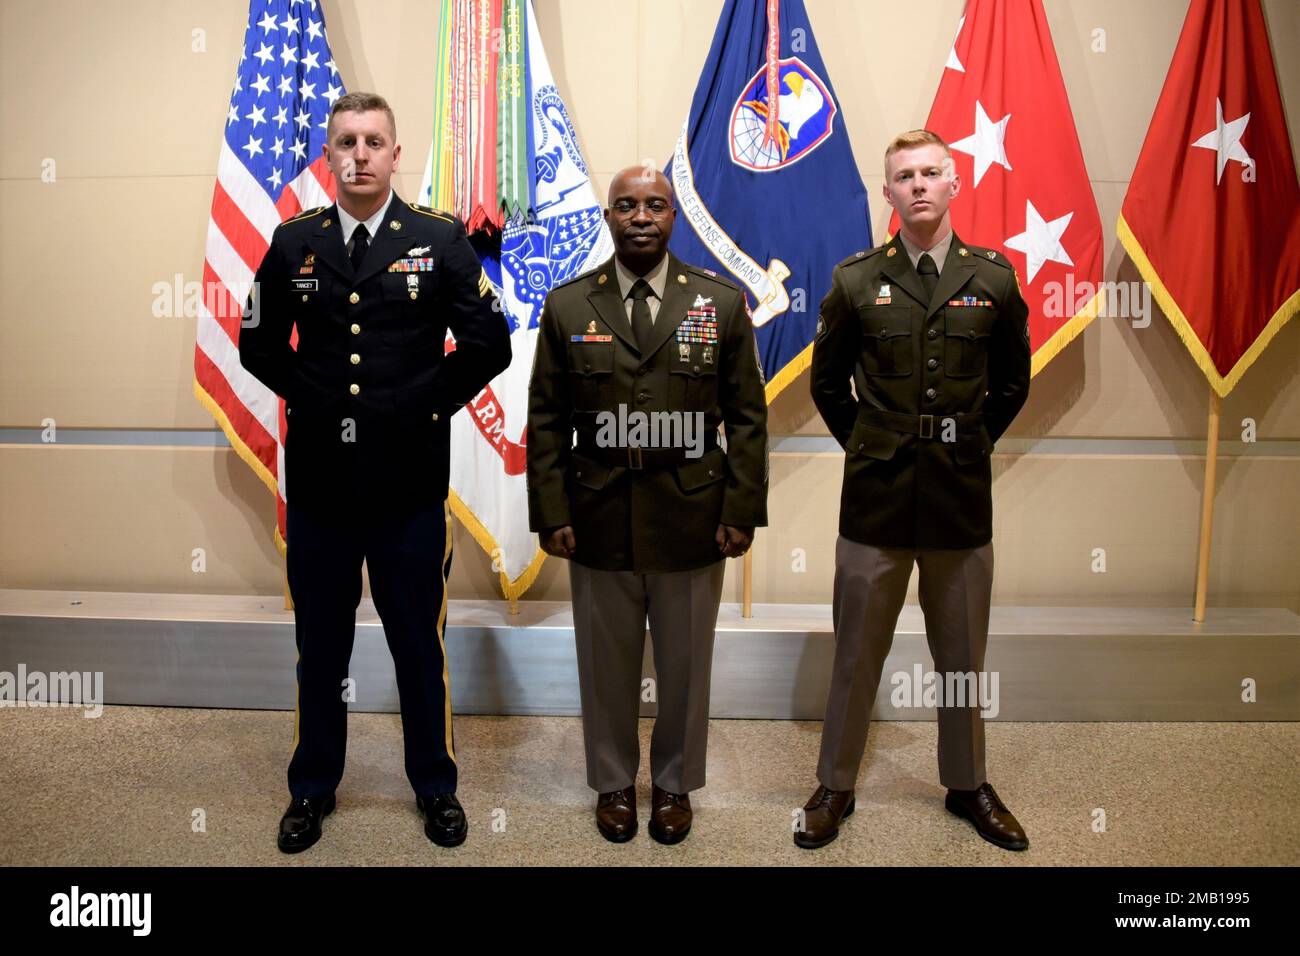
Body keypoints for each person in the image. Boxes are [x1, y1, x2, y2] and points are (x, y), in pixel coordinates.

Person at [239, 92, 511, 853]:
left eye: (374, 141)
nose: (360, 154)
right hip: (324, 486)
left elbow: (490, 342)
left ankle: (434, 785)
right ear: (328, 156)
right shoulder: (294, 242)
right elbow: (256, 342)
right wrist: (315, 396)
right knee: (319, 647)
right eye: (346, 142)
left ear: (397, 154)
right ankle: (312, 788)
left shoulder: (438, 237)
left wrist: (426, 401)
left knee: (418, 646)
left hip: (408, 486)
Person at [798, 130, 1032, 851]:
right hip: (877, 498)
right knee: (856, 652)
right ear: (888, 192)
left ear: (954, 183)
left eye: (932, 172)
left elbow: (1013, 383)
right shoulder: (855, 281)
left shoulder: (993, 277)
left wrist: (965, 440)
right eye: (905, 176)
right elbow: (828, 385)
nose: (920, 185)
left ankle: (966, 783)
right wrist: (875, 443)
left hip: (959, 498)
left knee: (961, 656)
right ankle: (836, 783)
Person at [526, 166, 768, 845]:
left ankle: (673, 783)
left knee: (686, 664)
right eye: (627, 205)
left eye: (655, 205)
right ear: (608, 216)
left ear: (673, 217)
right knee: (606, 662)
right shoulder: (571, 304)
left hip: (693, 511)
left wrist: (741, 509)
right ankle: (611, 782)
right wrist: (552, 510)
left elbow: (748, 415)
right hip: (597, 509)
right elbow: (545, 417)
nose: (641, 216)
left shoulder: (717, 303)